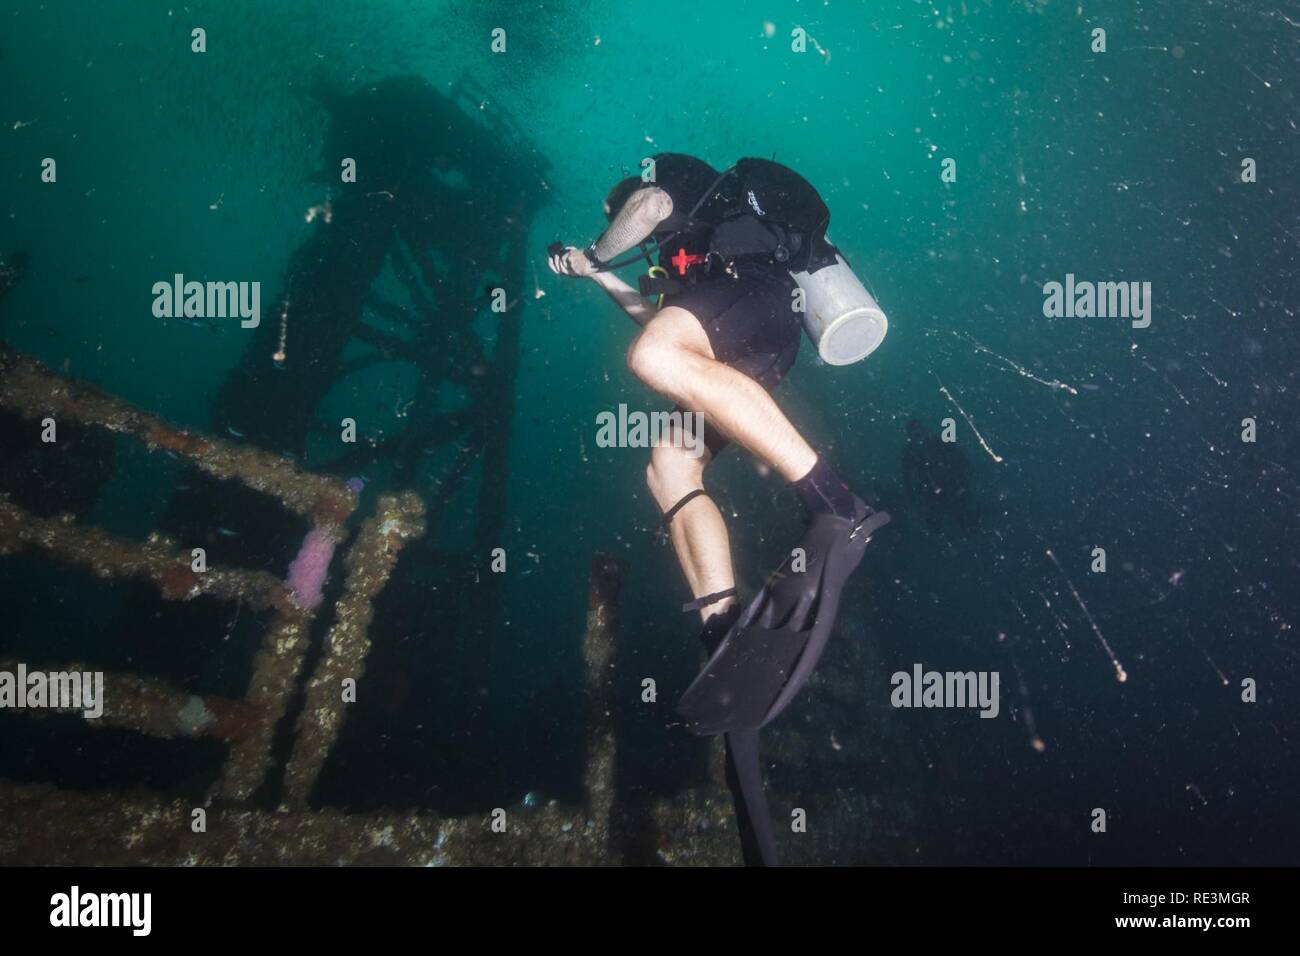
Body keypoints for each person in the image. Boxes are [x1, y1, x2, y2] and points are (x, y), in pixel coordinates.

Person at [548, 153, 889, 864]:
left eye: (619, 213)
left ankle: (837, 502)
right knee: (668, 464)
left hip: (758, 301)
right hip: (744, 341)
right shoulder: (682, 260)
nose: (628, 223)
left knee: (654, 361)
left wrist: (594, 245)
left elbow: (644, 211)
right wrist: (603, 274)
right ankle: (722, 627)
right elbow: (660, 318)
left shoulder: (677, 183)